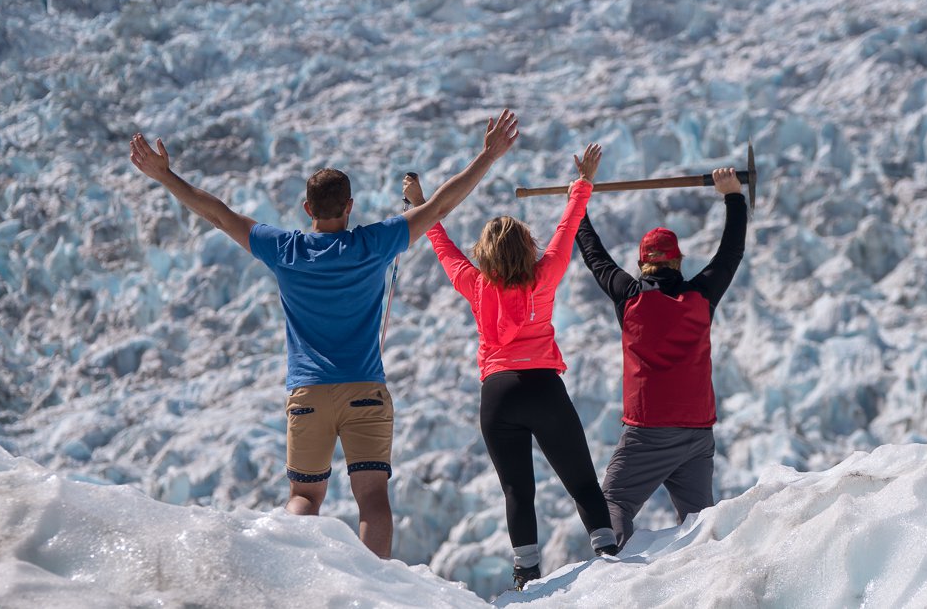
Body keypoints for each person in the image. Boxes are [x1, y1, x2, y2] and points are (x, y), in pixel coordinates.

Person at [127, 109, 521, 559]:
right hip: (365, 391)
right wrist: (487, 156)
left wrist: (166, 176)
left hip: (308, 393)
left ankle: (297, 586)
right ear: (349, 207)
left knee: (305, 498)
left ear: (307, 209)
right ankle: (375, 594)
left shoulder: (286, 249)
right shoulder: (374, 243)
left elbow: (219, 214)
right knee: (372, 499)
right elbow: (440, 207)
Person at [404, 143, 618, 590]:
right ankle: (609, 551)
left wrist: (420, 204)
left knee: (517, 491)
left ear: (486, 253)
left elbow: (441, 243)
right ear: (526, 248)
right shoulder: (546, 273)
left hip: (497, 395)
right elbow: (568, 225)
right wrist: (584, 181)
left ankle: (526, 575)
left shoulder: (475, 284)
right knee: (580, 479)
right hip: (543, 388)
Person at [574, 167, 749, 548]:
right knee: (700, 523)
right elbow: (731, 251)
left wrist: (578, 207)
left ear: (642, 264)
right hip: (698, 431)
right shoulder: (702, 296)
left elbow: (595, 256)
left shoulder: (629, 296)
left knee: (612, 505)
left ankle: (613, 581)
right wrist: (733, 196)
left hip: (648, 432)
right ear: (677, 261)